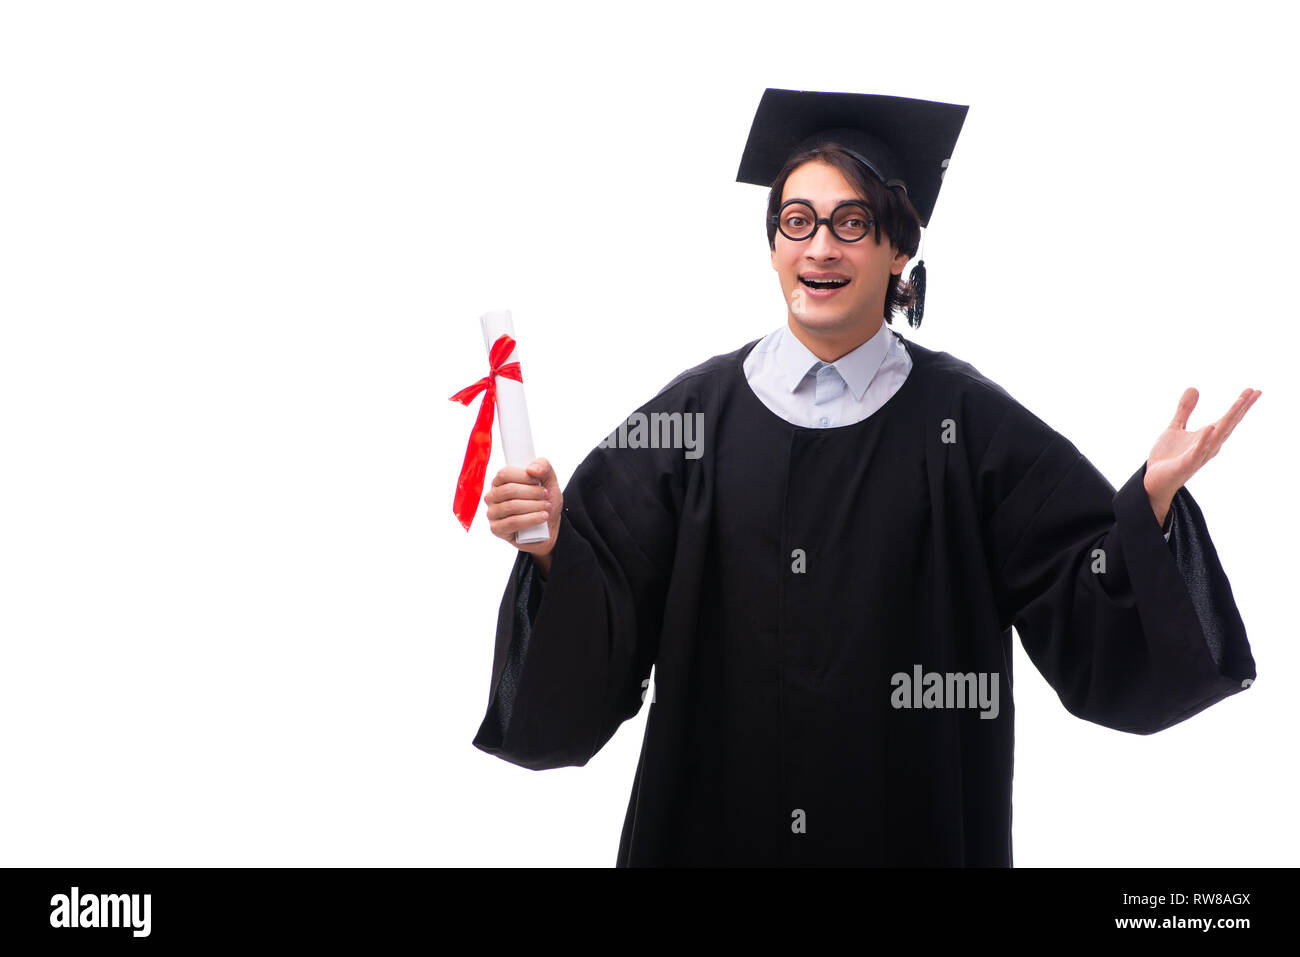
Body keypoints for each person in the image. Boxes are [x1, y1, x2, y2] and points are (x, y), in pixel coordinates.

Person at [471, 89, 1260, 866]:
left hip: (906, 824)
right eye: (798, 221)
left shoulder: (971, 425)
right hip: (716, 827)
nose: (821, 247)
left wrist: (1147, 507)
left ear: (899, 250)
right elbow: (603, 603)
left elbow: (1083, 600)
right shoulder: (689, 420)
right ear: (773, 243)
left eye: (852, 223)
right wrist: (550, 546)